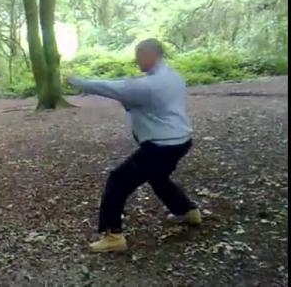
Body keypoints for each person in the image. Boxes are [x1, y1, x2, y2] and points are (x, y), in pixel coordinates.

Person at [66, 38, 201, 253]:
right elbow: (129, 84)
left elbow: (112, 88)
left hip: (161, 146)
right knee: (158, 178)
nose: (136, 59)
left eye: (139, 55)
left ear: (149, 55)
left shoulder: (148, 85)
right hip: (182, 141)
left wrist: (76, 81)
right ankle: (187, 211)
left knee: (118, 181)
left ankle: (113, 236)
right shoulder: (173, 77)